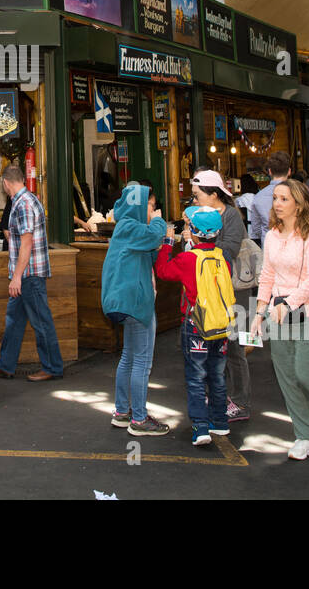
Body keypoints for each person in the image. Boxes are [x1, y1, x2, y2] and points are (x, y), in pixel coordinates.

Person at [252, 180, 309, 460]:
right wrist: (259, 312)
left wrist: (287, 305)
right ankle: (305, 436)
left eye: (284, 199)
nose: (277, 204)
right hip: (278, 315)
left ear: (299, 203)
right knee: (288, 379)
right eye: (276, 199)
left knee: (308, 377)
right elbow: (267, 275)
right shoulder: (272, 235)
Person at [155, 207, 231, 446]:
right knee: (217, 375)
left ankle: (200, 427)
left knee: (196, 376)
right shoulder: (223, 258)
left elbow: (163, 271)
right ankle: (220, 421)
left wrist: (168, 242)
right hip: (220, 324)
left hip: (195, 323)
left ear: (195, 233)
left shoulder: (189, 259)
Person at [0, 166, 64, 382]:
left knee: (41, 321)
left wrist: (17, 276)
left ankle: (52, 367)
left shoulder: (23, 204)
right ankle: (5, 364)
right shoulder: (28, 199)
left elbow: (27, 242)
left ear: (5, 183)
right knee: (15, 321)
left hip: (29, 275)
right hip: (26, 273)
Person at [99, 183, 168, 434]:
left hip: (122, 302)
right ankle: (139, 419)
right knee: (142, 361)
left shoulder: (126, 228)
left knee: (128, 356)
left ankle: (121, 411)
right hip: (135, 302)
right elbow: (155, 235)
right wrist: (159, 221)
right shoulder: (132, 227)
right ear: (140, 206)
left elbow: (149, 253)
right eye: (150, 205)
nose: (153, 209)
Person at [186, 169, 251, 423]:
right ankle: (218, 399)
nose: (194, 200)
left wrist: (200, 242)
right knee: (210, 347)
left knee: (234, 348)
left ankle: (241, 401)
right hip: (207, 292)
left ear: (214, 195)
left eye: (197, 195)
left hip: (233, 291)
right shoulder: (198, 215)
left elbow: (229, 251)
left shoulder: (232, 215)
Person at [248, 151, 290, 245]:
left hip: (269, 246)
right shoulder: (298, 193)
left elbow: (256, 229)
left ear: (270, 171)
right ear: (289, 171)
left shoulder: (258, 197)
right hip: (295, 247)